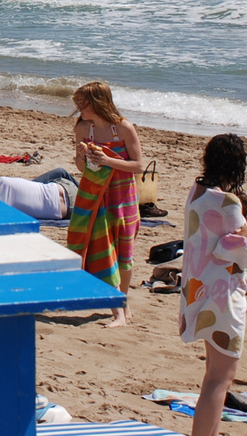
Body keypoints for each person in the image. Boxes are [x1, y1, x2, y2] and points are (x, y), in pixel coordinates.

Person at [179, 132, 247, 436]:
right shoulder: (228, 201)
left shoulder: (196, 191)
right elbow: (244, 245)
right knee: (220, 378)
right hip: (222, 293)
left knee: (214, 374)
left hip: (198, 289)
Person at [67, 80, 144, 326]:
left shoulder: (122, 128)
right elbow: (82, 169)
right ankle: (118, 310)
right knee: (103, 248)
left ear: (98, 102)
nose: (79, 107)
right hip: (94, 195)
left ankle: (123, 300)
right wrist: (82, 155)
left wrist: (109, 160)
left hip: (121, 196)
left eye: (83, 102)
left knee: (124, 252)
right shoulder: (82, 128)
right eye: (77, 102)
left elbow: (138, 166)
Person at [0, 168, 79, 221]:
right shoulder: (2, 181)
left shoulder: (4, 213)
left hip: (69, 210)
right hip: (67, 188)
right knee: (61, 172)